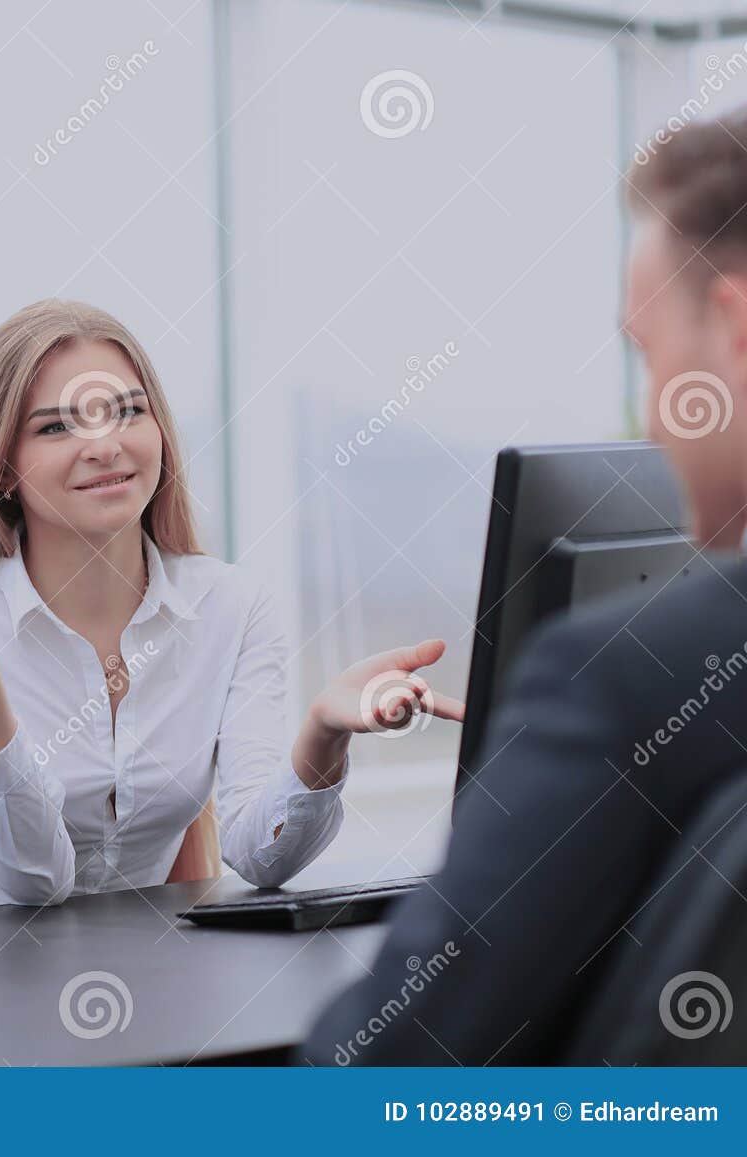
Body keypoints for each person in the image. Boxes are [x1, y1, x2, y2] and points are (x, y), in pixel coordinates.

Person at [300, 106, 747, 1064]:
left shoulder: (628, 680)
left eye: (647, 348)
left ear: (733, 325)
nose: (655, 420)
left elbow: (388, 1073)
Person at [0, 300, 463, 914]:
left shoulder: (231, 606)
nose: (105, 445)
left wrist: (324, 736)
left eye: (127, 411)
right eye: (57, 425)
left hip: (144, 978)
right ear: (4, 467)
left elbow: (256, 855)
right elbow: (30, 882)